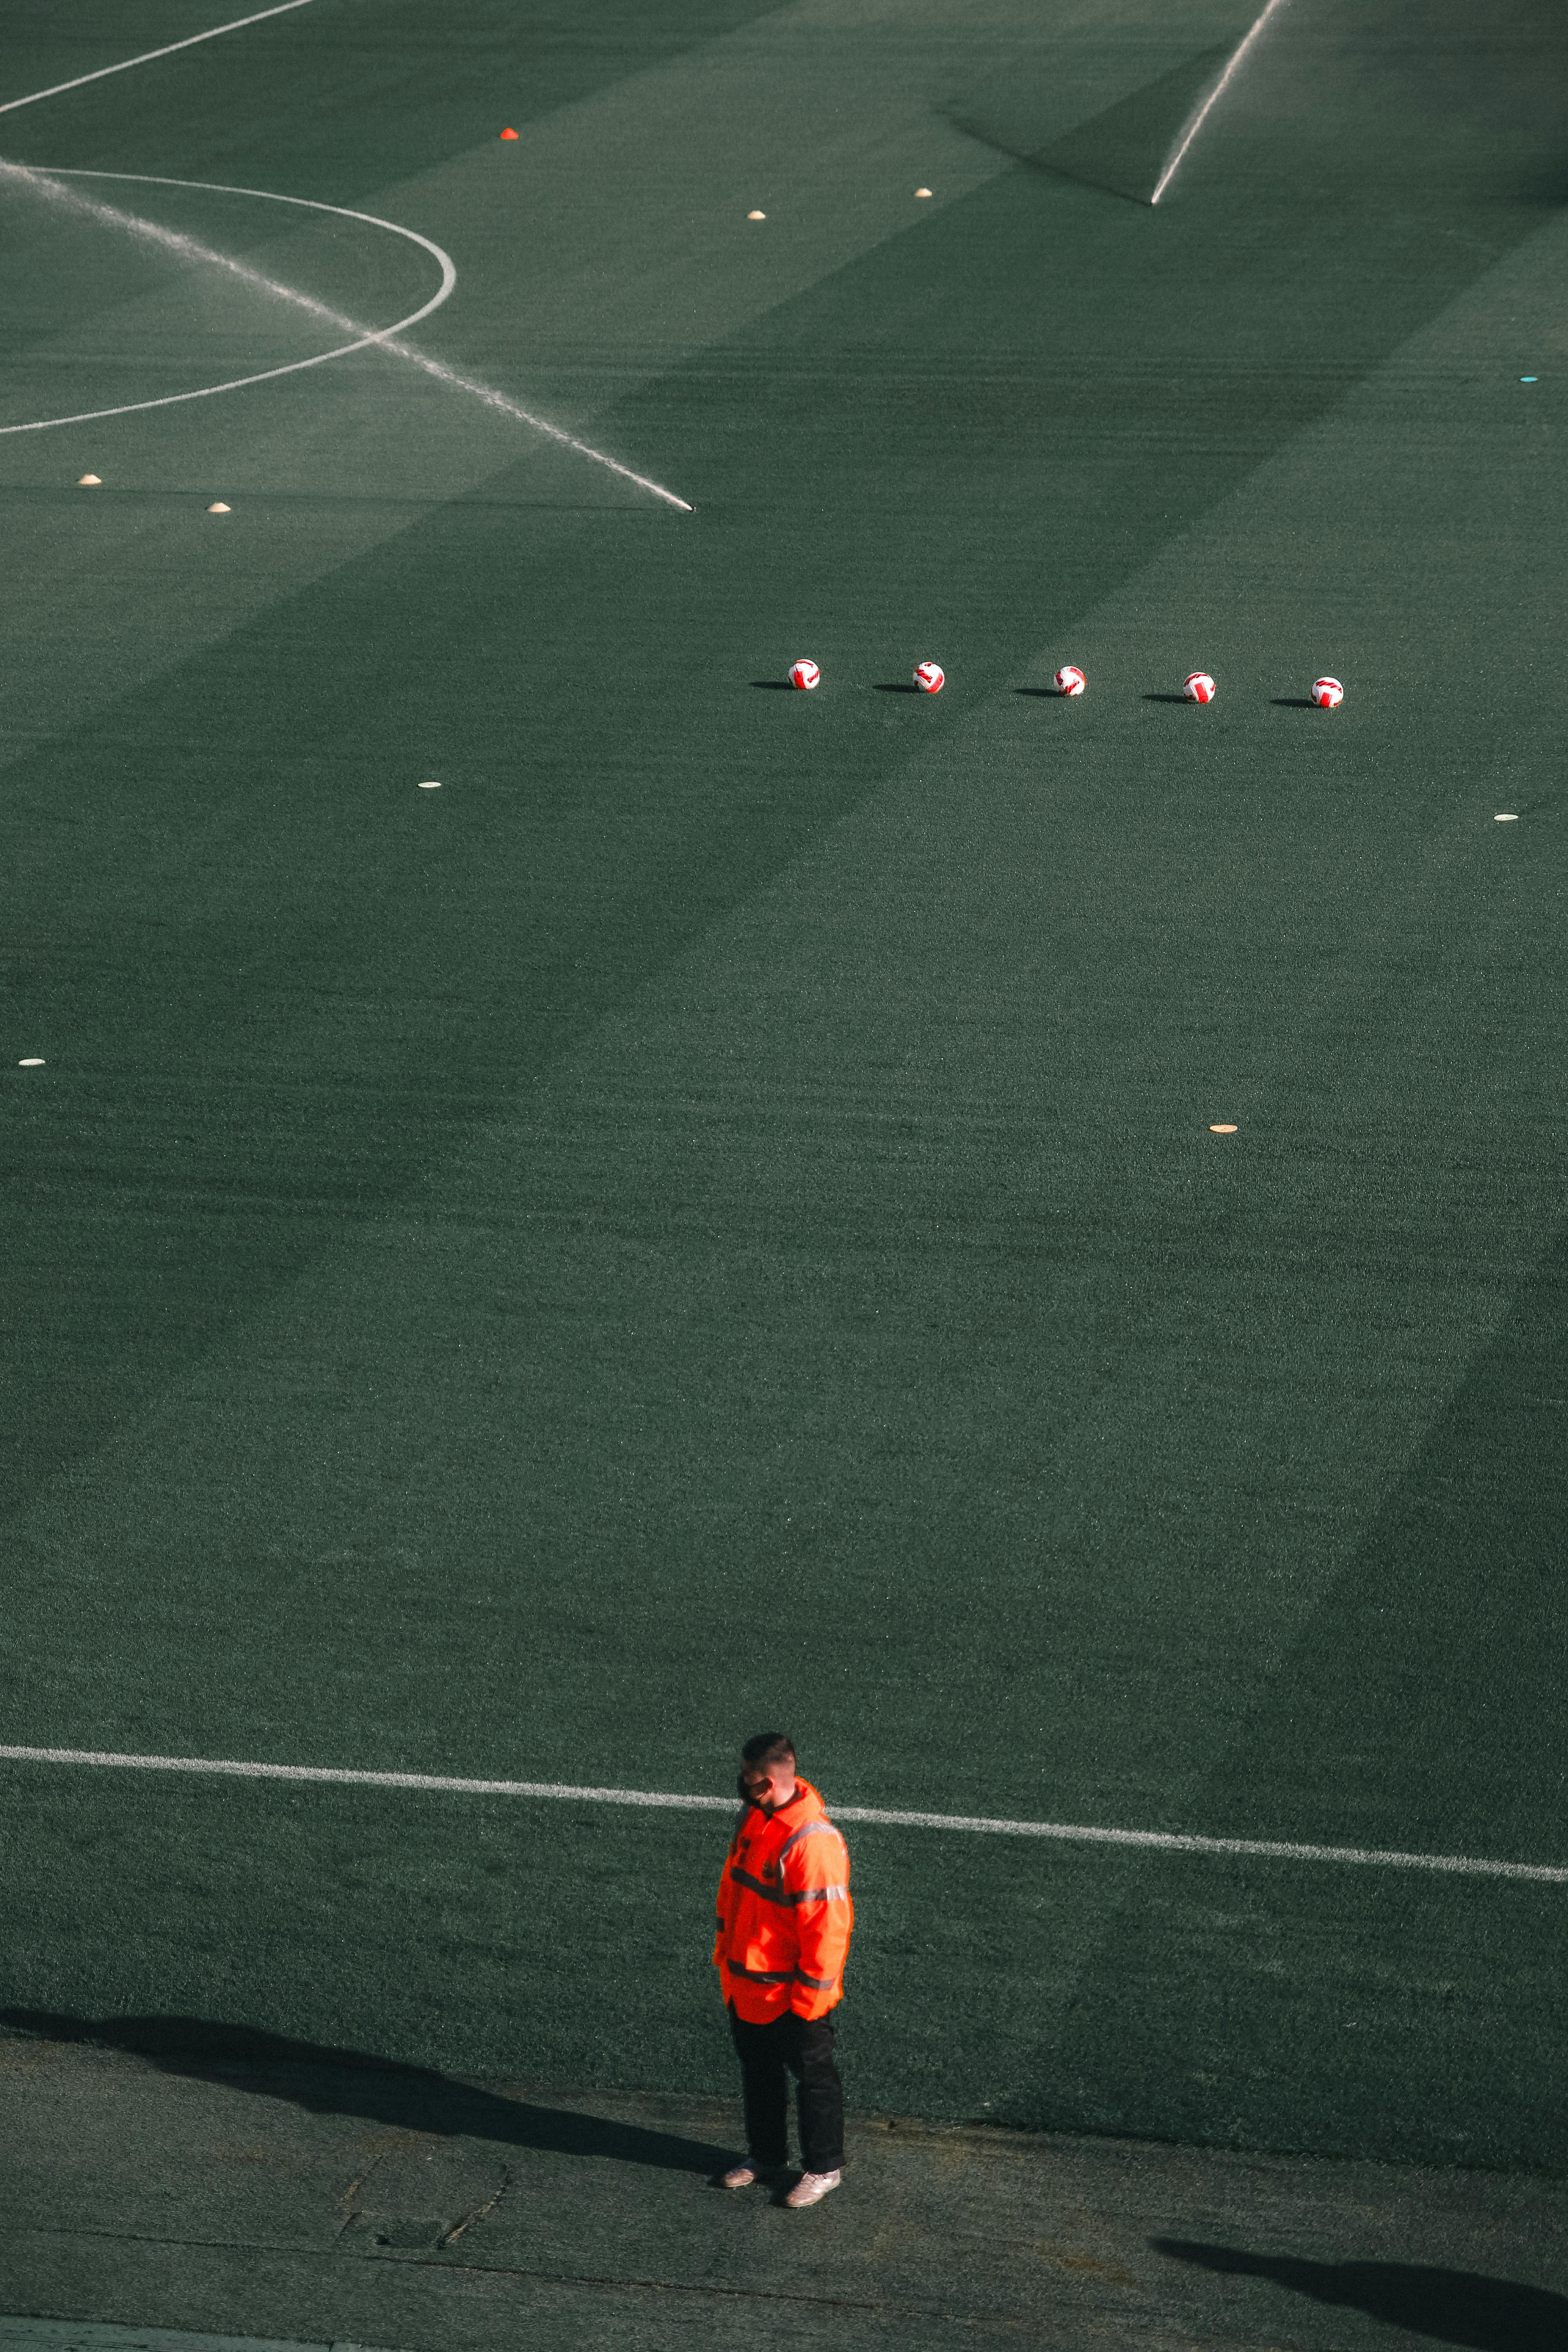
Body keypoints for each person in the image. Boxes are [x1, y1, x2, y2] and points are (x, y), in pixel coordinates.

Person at [713, 1731, 854, 2208]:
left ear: (770, 1782)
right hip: (747, 1982)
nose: (741, 1785)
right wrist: (726, 1958)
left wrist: (812, 1998)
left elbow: (827, 1930)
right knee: (759, 2072)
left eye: (749, 1780)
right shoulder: (752, 1816)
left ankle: (823, 2168)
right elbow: (734, 1891)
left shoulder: (812, 1843)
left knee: (813, 2077)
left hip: (793, 1993)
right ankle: (766, 2155)